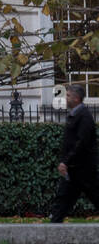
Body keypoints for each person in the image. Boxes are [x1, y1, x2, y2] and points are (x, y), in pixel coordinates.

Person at [49, 83, 99, 222]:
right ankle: (54, 225)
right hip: (76, 168)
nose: (66, 98)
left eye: (69, 95)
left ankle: (54, 225)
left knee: (93, 194)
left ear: (76, 99)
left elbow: (81, 143)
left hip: (83, 168)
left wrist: (66, 161)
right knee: (64, 197)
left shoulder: (84, 116)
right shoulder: (76, 115)